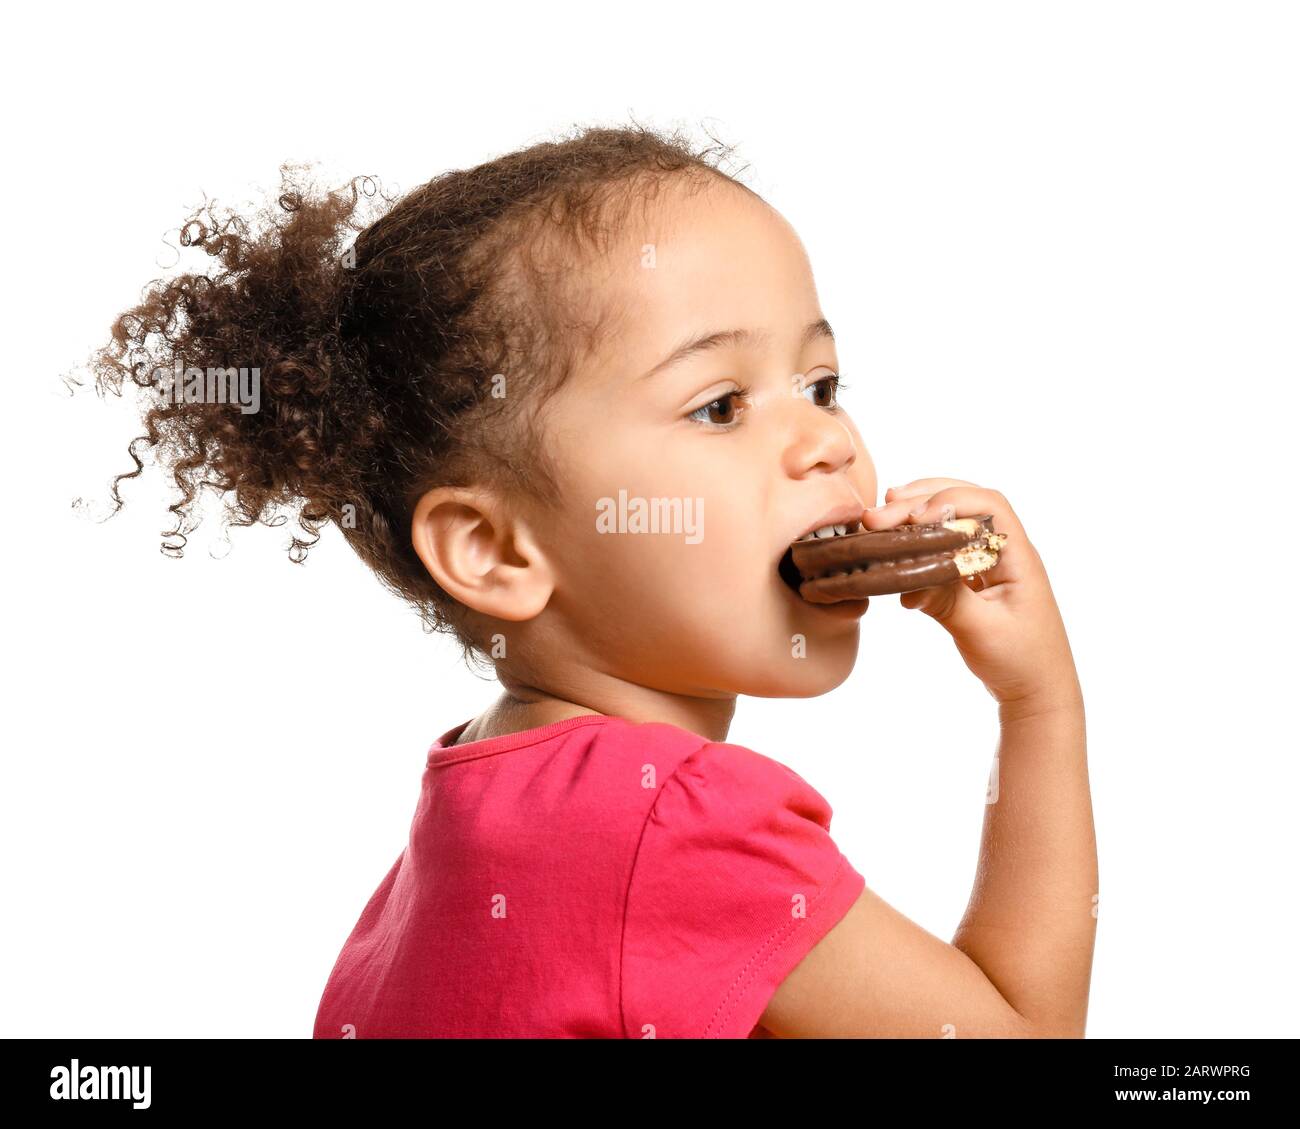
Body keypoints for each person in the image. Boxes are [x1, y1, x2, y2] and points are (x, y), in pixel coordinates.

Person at [87, 122, 1095, 1038]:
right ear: (495, 549)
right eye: (719, 406)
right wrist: (1038, 700)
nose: (826, 441)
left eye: (821, 386)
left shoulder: (490, 808)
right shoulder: (671, 820)